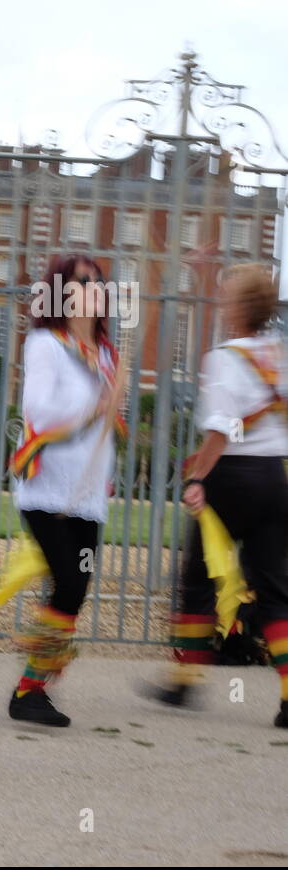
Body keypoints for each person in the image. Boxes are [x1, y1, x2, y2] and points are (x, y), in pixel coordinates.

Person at [146, 264, 288, 727]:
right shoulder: (278, 354)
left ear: (240, 309)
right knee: (273, 591)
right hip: (273, 477)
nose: (220, 304)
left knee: (198, 578)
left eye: (226, 298)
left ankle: (185, 683)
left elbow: (220, 430)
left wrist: (196, 478)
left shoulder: (224, 358)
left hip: (231, 478)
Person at [5, 254, 127, 727]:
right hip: (46, 489)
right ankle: (28, 691)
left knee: (73, 590)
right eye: (83, 281)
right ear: (60, 292)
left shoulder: (106, 354)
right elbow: (39, 411)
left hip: (88, 493)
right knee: (70, 582)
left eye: (99, 282)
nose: (94, 287)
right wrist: (94, 409)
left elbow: (107, 427)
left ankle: (33, 689)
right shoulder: (45, 345)